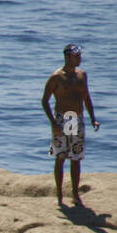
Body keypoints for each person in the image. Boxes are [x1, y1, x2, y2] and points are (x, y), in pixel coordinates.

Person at [42, 44, 99, 206]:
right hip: (63, 118)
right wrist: (53, 123)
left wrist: (92, 118)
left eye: (80, 56)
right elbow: (45, 101)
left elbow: (86, 98)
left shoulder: (82, 75)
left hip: (77, 118)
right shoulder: (57, 77)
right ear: (67, 57)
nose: (80, 59)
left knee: (76, 157)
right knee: (61, 157)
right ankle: (59, 193)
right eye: (77, 56)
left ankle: (75, 193)